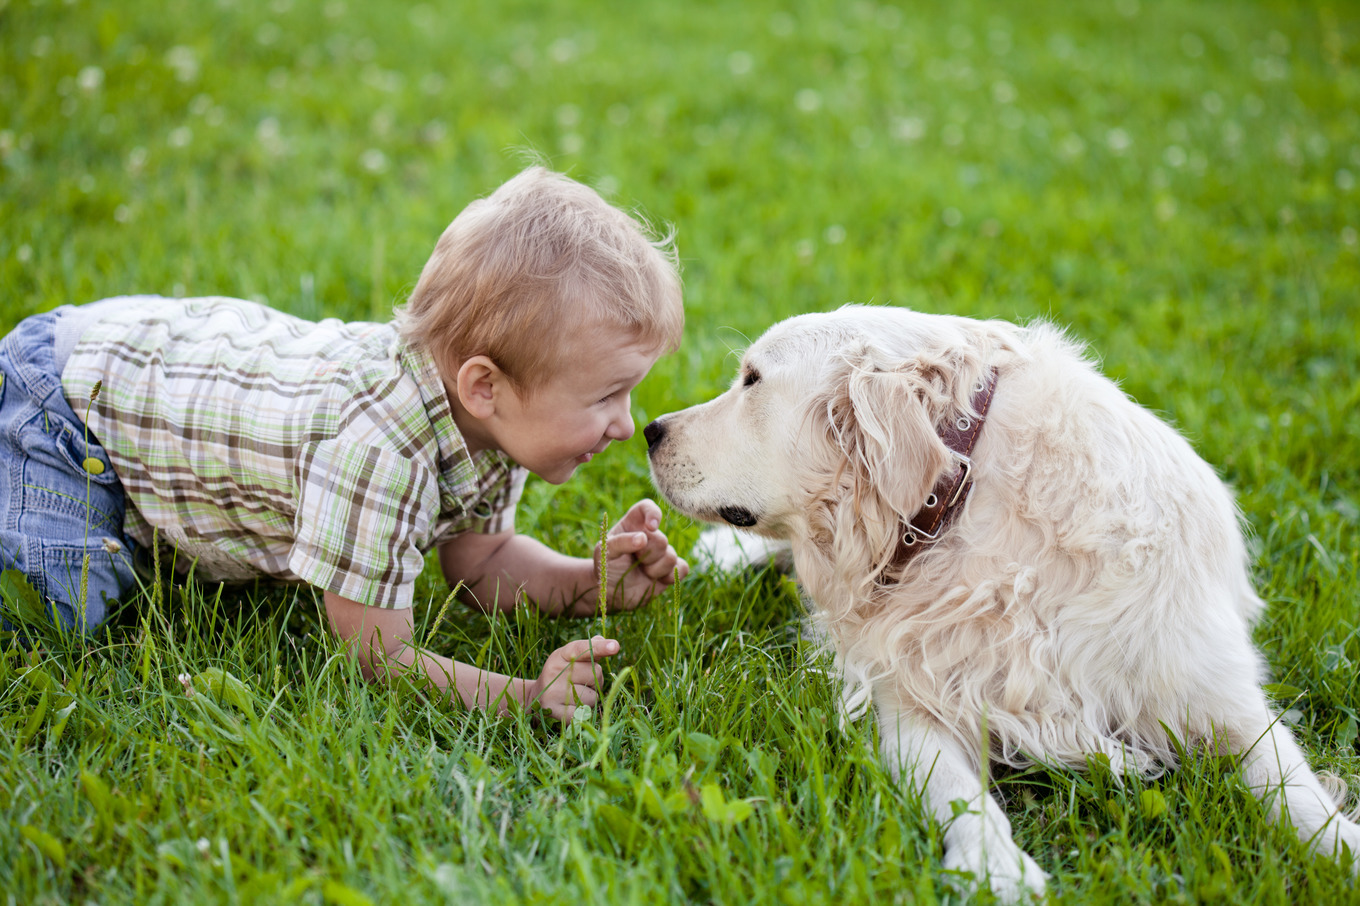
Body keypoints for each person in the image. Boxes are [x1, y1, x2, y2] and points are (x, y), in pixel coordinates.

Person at [0, 166, 689, 722]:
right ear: (485, 385)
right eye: (604, 397)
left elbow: (478, 562)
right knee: (47, 626)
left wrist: (586, 583)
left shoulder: (490, 421)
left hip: (143, 370)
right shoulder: (378, 452)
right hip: (68, 403)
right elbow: (376, 655)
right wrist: (526, 698)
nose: (626, 424)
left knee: (118, 569)